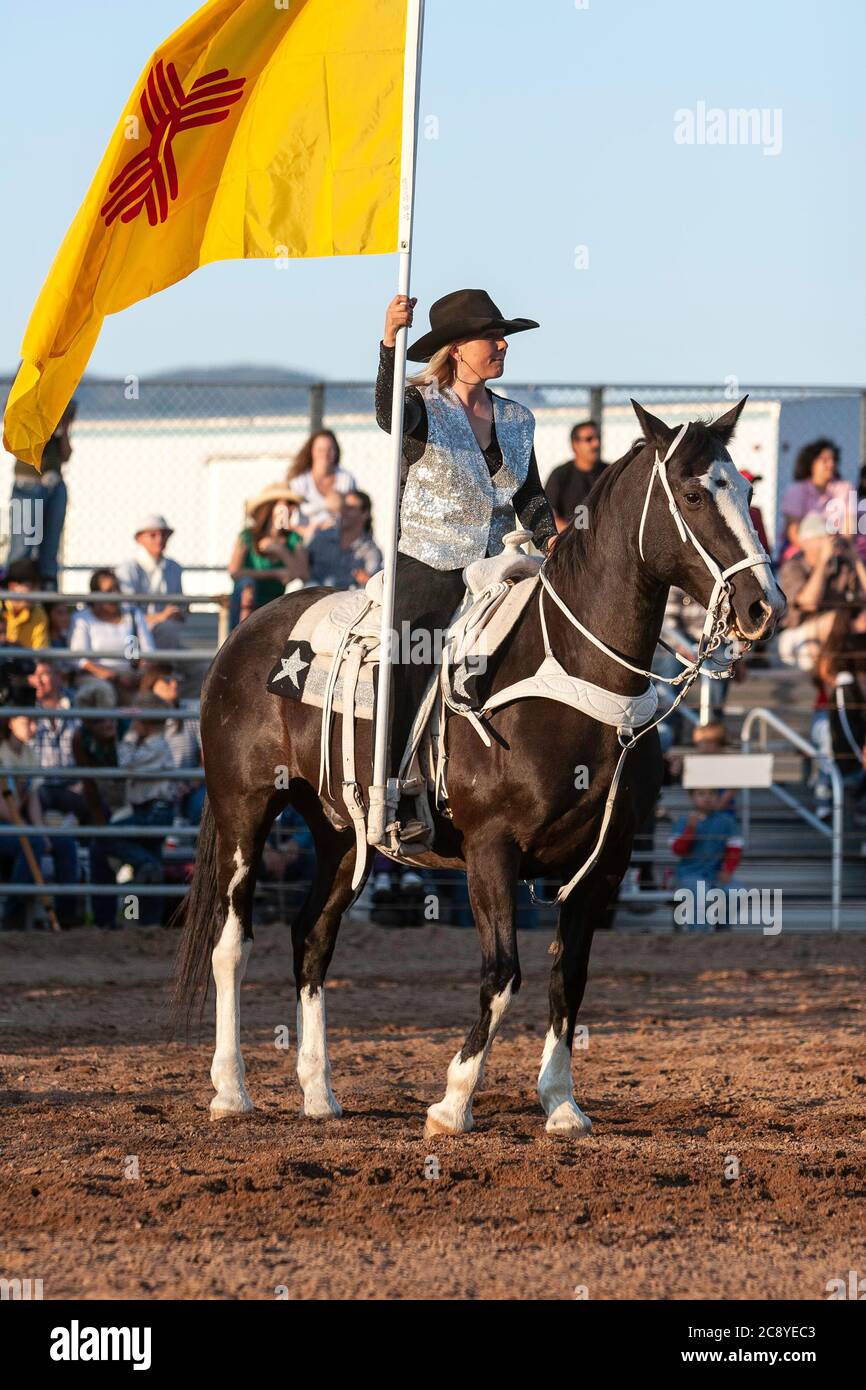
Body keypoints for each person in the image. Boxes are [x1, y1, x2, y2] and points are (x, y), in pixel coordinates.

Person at [376, 287, 557, 841]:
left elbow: (528, 494)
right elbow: (386, 415)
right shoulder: (422, 407)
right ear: (456, 349)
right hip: (429, 561)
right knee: (410, 649)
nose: (501, 344)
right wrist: (388, 342)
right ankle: (394, 788)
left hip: (503, 561)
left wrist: (554, 542)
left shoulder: (517, 418)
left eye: (503, 336)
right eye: (490, 336)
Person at [778, 512, 866, 673]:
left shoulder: (842, 565)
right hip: (796, 636)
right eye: (823, 538)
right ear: (805, 542)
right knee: (835, 620)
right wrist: (822, 563)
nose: (830, 543)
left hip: (837, 635)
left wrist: (856, 559)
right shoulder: (793, 567)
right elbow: (808, 604)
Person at [7, 399, 75, 589]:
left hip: (54, 483)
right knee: (23, 547)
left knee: (50, 550)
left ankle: (48, 604)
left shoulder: (66, 400)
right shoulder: (27, 396)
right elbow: (18, 440)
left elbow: (66, 454)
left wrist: (64, 428)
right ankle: (12, 603)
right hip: (28, 482)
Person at [228, 484, 309, 627]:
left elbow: (303, 574)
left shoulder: (293, 539)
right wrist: (274, 573)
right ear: (270, 507)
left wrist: (281, 551)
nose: (291, 509)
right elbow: (234, 572)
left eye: (293, 505)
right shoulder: (248, 536)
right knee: (247, 584)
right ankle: (241, 633)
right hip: (249, 599)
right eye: (286, 504)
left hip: (277, 602)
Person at [68, 568, 154, 702]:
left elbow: (148, 651)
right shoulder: (82, 619)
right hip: (97, 676)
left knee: (160, 691)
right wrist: (112, 676)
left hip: (132, 676)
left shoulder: (132, 614)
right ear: (95, 596)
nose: (115, 595)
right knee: (104, 692)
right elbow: (80, 660)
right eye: (109, 591)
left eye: (117, 589)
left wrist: (139, 674)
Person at [670, 788, 743, 932]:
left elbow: (735, 848)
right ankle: (698, 935)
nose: (707, 798)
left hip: (716, 875)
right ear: (692, 797)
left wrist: (727, 870)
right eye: (701, 794)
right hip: (689, 875)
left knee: (737, 891)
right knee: (701, 894)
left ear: (718, 796)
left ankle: (723, 931)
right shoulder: (684, 821)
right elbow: (677, 850)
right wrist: (690, 829)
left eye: (712, 794)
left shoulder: (727, 821)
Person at [115, 515, 185, 652]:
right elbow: (126, 614)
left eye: (163, 535)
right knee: (167, 629)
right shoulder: (127, 569)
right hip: (132, 638)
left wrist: (178, 612)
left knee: (203, 667)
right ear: (139, 538)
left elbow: (182, 607)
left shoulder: (175, 568)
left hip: (166, 636)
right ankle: (160, 670)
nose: (159, 539)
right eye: (153, 535)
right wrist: (161, 617)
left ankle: (165, 669)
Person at [287, 430, 357, 540]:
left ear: (336, 452)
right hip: (306, 539)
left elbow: (352, 513)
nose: (325, 454)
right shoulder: (299, 482)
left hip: (338, 539)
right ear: (312, 452)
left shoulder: (346, 479)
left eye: (330, 449)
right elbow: (291, 519)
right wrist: (327, 505)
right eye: (320, 450)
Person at [307, 490, 383, 590]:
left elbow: (373, 588)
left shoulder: (371, 552)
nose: (343, 512)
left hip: (349, 602)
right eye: (343, 507)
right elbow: (303, 565)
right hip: (313, 596)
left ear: (365, 514)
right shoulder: (321, 538)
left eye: (350, 508)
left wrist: (367, 581)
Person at [779, 438, 840, 559]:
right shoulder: (796, 490)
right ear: (811, 463)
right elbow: (793, 533)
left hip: (833, 550)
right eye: (825, 460)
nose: (831, 464)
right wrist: (818, 553)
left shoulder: (839, 489)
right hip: (801, 551)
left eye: (833, 459)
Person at [544, 420, 607, 531]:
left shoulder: (609, 473)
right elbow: (549, 515)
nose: (596, 443)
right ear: (575, 444)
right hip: (570, 543)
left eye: (598, 438)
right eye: (589, 439)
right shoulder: (560, 475)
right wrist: (573, 537)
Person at [3, 557, 48, 651]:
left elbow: (41, 654)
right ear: (13, 586)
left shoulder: (38, 614)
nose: (36, 592)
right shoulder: (1, 607)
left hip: (25, 664)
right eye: (31, 586)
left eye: (37, 587)